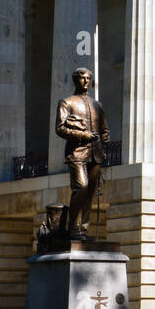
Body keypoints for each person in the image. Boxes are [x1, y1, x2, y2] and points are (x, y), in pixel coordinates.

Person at [54, 68, 109, 240]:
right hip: (76, 151)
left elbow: (104, 130)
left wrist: (104, 142)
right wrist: (82, 135)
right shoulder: (67, 102)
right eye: (81, 78)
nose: (85, 82)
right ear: (75, 80)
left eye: (88, 79)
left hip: (96, 153)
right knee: (81, 188)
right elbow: (60, 128)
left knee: (91, 191)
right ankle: (73, 230)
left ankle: (83, 230)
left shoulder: (97, 105)